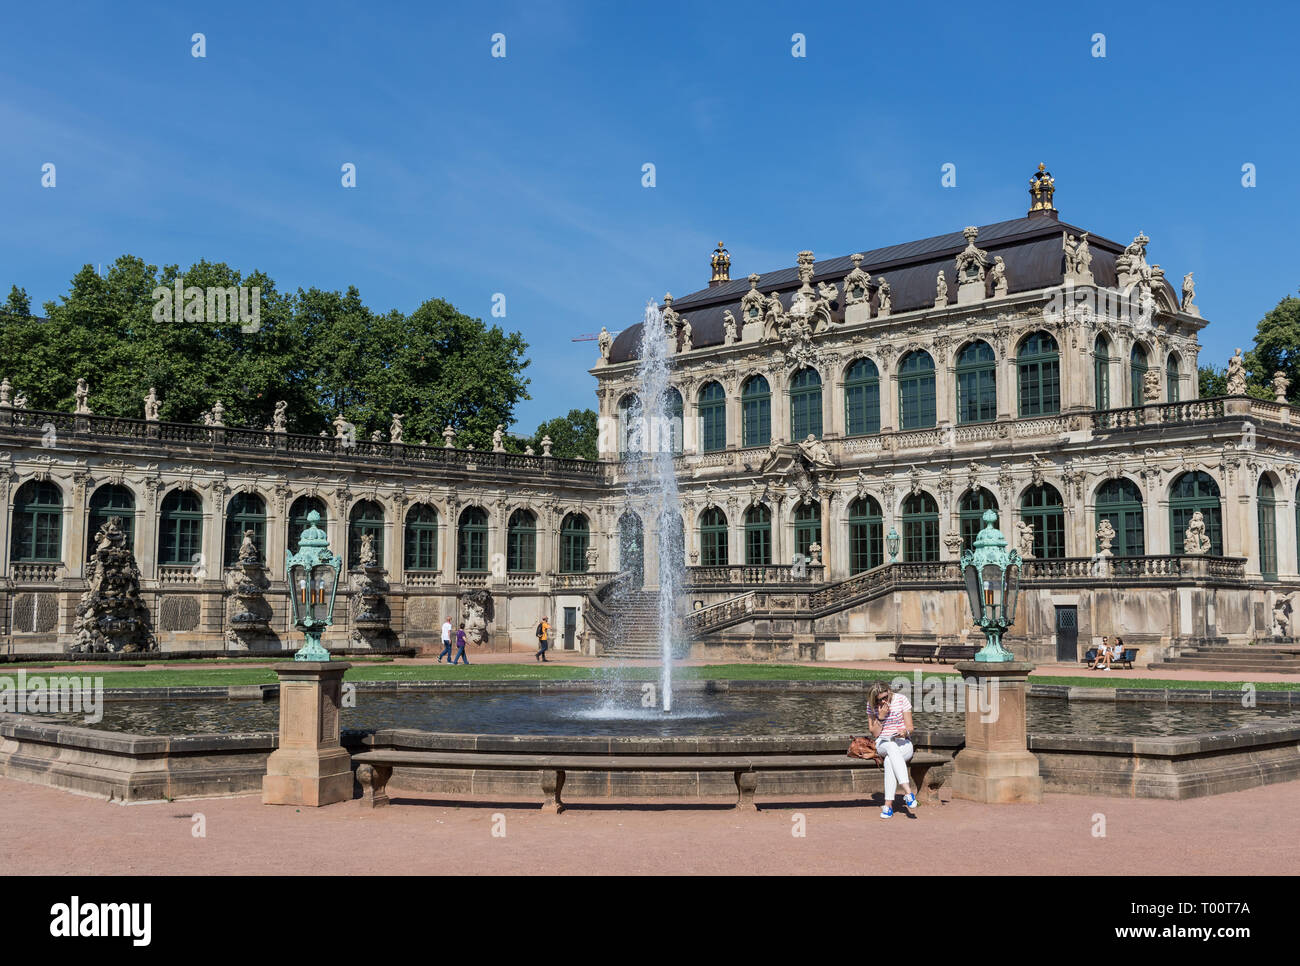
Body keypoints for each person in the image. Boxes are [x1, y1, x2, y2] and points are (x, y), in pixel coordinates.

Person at [866, 680, 916, 819]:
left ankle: (888, 806)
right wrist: (881, 717)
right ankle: (907, 791)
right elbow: (875, 733)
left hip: (903, 743)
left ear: (889, 691)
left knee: (889, 761)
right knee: (890, 745)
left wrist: (904, 732)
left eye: (885, 697)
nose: (883, 701)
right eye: (879, 700)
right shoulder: (871, 706)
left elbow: (910, 727)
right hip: (883, 742)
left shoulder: (901, 700)